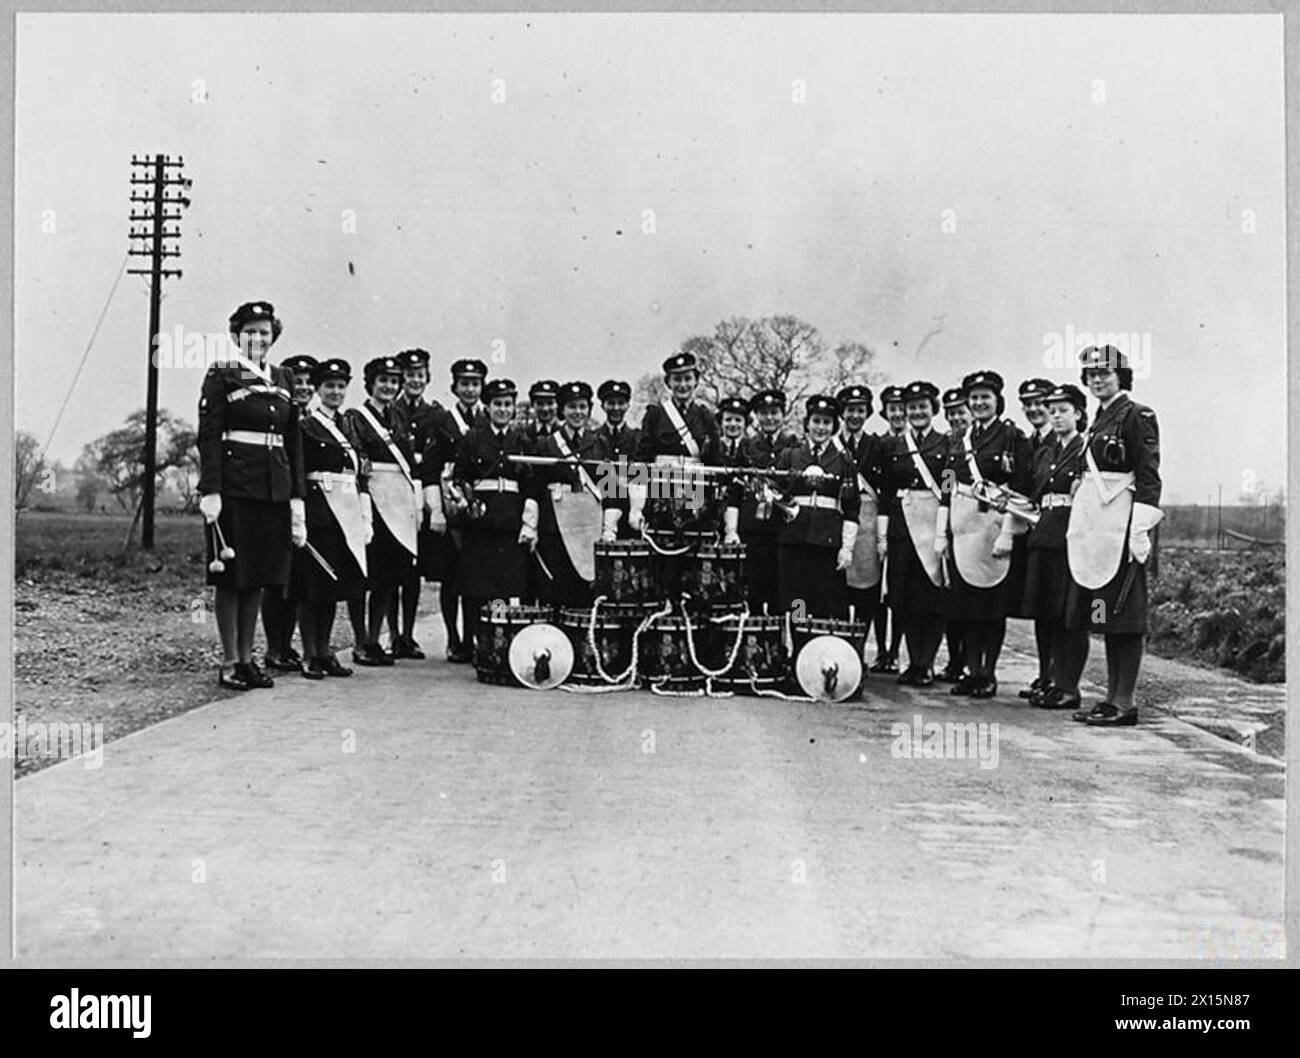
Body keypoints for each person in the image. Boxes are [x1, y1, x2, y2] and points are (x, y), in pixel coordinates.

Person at [197, 301, 306, 690]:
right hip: (235, 485)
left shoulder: (285, 377)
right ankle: (229, 660)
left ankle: (247, 659)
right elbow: (209, 435)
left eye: (264, 332)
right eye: (250, 331)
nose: (258, 338)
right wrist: (211, 489)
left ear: (273, 335)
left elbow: (292, 441)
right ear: (236, 335)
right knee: (233, 577)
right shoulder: (223, 373)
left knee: (259, 575)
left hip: (274, 487)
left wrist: (297, 497)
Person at [1059, 346, 1162, 726]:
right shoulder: (1098, 421)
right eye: (1091, 375)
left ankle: (1125, 701)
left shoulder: (1137, 415)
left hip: (1122, 526)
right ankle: (1110, 696)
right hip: (1096, 529)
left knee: (1125, 614)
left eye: (1105, 372)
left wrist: (1140, 529)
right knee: (1102, 613)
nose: (1097, 379)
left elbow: (1149, 475)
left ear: (1122, 376)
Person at [936, 370, 1032, 699]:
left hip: (994, 529)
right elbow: (947, 486)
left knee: (991, 607)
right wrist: (941, 531)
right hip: (963, 532)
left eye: (984, 398)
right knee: (966, 608)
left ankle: (988, 673)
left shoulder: (1013, 438)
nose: (979, 403)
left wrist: (1009, 534)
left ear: (997, 402)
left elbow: (1021, 490)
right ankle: (972, 671)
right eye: (974, 398)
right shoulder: (958, 440)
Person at [291, 358, 369, 678]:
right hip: (318, 509)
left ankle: (325, 652)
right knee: (313, 587)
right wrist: (298, 516)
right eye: (329, 386)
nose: (335, 392)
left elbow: (358, 471)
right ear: (318, 390)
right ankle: (310, 653)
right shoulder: (306, 426)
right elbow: (298, 470)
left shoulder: (348, 426)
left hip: (345, 513)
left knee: (333, 587)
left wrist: (365, 516)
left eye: (340, 386)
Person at [345, 356, 419, 666]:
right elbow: (356, 460)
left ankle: (376, 638)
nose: (388, 386)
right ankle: (361, 640)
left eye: (393, 381)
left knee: (387, 576)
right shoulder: (356, 417)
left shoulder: (400, 417)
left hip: (397, 501)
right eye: (383, 381)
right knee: (364, 573)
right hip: (369, 497)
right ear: (370, 384)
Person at [1021, 384, 1089, 709]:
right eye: (1053, 410)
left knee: (1068, 615)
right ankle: (1047, 679)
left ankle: (1068, 686)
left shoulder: (1085, 450)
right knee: (1044, 615)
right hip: (1043, 534)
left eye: (1064, 409)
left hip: (1070, 539)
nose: (1057, 415)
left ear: (1078, 413)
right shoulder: (1046, 451)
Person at [877, 381, 948, 684]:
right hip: (901, 525)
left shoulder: (945, 444)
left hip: (931, 522)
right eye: (911, 407)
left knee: (930, 595)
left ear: (933, 409)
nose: (917, 412)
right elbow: (885, 491)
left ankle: (926, 661)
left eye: (923, 406)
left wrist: (943, 531)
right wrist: (883, 535)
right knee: (903, 596)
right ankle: (911, 661)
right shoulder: (893, 446)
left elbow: (947, 489)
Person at [453, 378, 532, 655]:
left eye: (508, 404)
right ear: (487, 406)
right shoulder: (474, 437)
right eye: (497, 404)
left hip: (509, 520)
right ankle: (474, 640)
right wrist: (467, 501)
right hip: (481, 522)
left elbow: (529, 482)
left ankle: (496, 640)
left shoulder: (522, 440)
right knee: (476, 585)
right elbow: (459, 477)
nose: (503, 409)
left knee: (502, 584)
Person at [422, 358, 489, 662]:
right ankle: (453, 639)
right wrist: (435, 509)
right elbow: (431, 467)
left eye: (475, 384)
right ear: (454, 387)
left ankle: (477, 638)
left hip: (480, 508)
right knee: (451, 577)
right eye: (465, 384)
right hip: (451, 507)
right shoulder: (442, 421)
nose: (470, 389)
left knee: (476, 578)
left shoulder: (490, 419)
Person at [772, 395, 859, 618]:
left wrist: (846, 548)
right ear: (807, 423)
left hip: (827, 543)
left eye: (827, 422)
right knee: (797, 601)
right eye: (816, 421)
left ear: (834, 426)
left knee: (825, 603)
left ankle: (817, 650)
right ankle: (798, 649)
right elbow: (773, 491)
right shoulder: (790, 455)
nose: (821, 428)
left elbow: (851, 506)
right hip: (794, 541)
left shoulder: (844, 459)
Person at [629, 351, 722, 550]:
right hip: (662, 490)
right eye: (677, 379)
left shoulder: (705, 416)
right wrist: (636, 508)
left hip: (695, 490)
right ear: (668, 382)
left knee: (694, 547)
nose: (683, 385)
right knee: (661, 547)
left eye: (688, 379)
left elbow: (715, 461)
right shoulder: (655, 415)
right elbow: (641, 460)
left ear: (696, 381)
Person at [260, 352, 317, 673]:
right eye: (299, 382)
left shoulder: (318, 417)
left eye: (310, 382)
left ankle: (288, 644)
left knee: (298, 577)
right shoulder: (279, 414)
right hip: (279, 494)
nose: (304, 388)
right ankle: (274, 646)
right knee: (275, 576)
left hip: (307, 502)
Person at [718, 389, 797, 613]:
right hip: (752, 530)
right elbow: (735, 489)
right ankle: (754, 645)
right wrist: (731, 529)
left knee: (785, 597)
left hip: (783, 533)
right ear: (757, 417)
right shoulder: (748, 447)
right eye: (764, 413)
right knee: (752, 592)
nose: (769, 418)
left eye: (774, 412)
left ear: (783, 414)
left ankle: (783, 644)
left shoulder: (794, 445)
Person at [528, 381, 605, 607]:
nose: (577, 413)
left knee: (586, 586)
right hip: (555, 525)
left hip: (590, 524)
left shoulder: (600, 443)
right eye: (572, 407)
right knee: (556, 585)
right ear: (562, 410)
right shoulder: (547, 444)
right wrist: (530, 525)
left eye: (582, 407)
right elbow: (535, 487)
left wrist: (610, 527)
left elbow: (612, 488)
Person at [388, 346, 443, 660]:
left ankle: (408, 634)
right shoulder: (389, 411)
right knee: (396, 570)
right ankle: (394, 635)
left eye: (420, 375)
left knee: (414, 573)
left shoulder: (435, 414)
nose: (414, 381)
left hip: (425, 498)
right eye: (409, 375)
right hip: (396, 498)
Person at [835, 385, 884, 630]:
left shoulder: (876, 445)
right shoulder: (831, 445)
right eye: (850, 410)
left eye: (860, 410)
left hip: (867, 522)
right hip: (836, 517)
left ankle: (861, 649)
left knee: (867, 591)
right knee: (837, 591)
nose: (855, 415)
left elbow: (885, 488)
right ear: (842, 413)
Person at [870, 384, 908, 672]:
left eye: (901, 408)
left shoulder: (917, 443)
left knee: (900, 589)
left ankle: (896, 650)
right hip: (883, 517)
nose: (897, 414)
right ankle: (882, 649)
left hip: (911, 522)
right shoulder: (878, 444)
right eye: (892, 409)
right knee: (878, 591)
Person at [936, 386, 970, 682]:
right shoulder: (949, 444)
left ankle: (971, 662)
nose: (956, 418)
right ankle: (955, 660)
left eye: (961, 411)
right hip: (951, 522)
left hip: (977, 527)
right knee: (951, 597)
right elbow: (946, 487)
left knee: (972, 595)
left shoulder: (976, 443)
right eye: (951, 413)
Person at [594, 379, 641, 539]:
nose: (616, 408)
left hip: (631, 513)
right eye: (611, 403)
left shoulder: (637, 438)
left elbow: (640, 476)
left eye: (621, 403)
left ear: (628, 405)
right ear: (603, 406)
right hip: (600, 513)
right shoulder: (593, 438)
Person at [523, 380, 561, 452]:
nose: (545, 409)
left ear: (557, 405)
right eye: (540, 404)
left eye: (550, 403)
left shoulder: (565, 434)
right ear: (532, 405)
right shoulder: (523, 433)